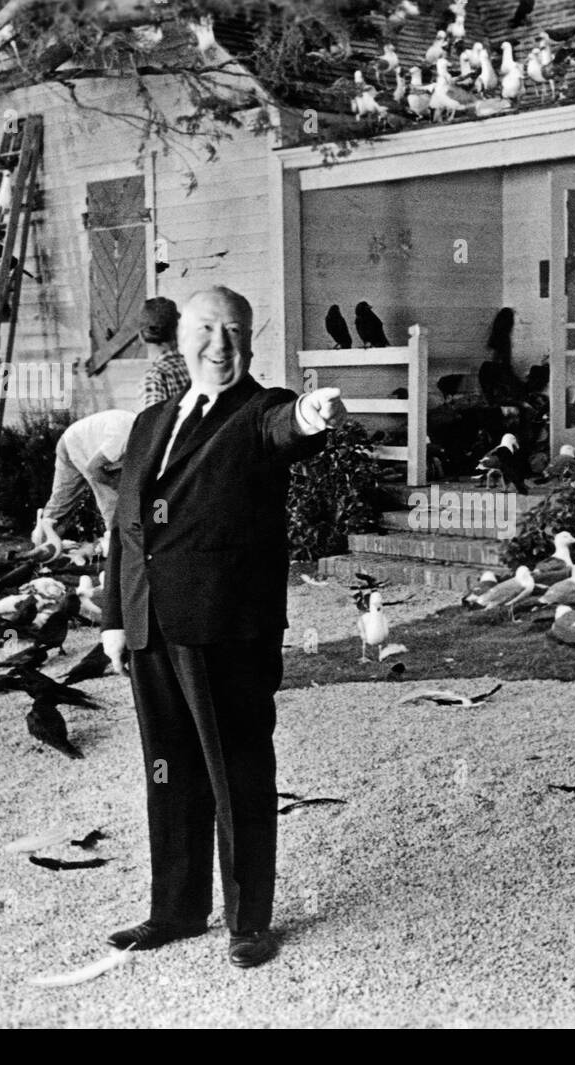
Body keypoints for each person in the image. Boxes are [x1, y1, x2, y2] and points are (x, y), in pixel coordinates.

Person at [100, 286, 346, 970]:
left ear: (250, 341)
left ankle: (248, 921)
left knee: (238, 770)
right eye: (208, 329)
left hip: (227, 627)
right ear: (181, 337)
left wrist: (312, 412)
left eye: (235, 331)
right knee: (168, 770)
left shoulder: (257, 411)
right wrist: (114, 617)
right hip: (152, 622)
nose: (221, 345)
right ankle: (175, 909)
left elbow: (288, 426)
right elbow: (124, 525)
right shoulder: (151, 420)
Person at [40, 409, 135, 535]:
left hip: (93, 447)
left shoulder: (141, 431)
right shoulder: (121, 438)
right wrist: (114, 484)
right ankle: (44, 539)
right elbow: (94, 468)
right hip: (75, 445)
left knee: (63, 497)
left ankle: (119, 540)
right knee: (106, 497)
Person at [139, 296, 190, 412]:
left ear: (141, 336)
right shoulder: (194, 365)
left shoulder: (155, 377)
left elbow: (153, 427)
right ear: (176, 331)